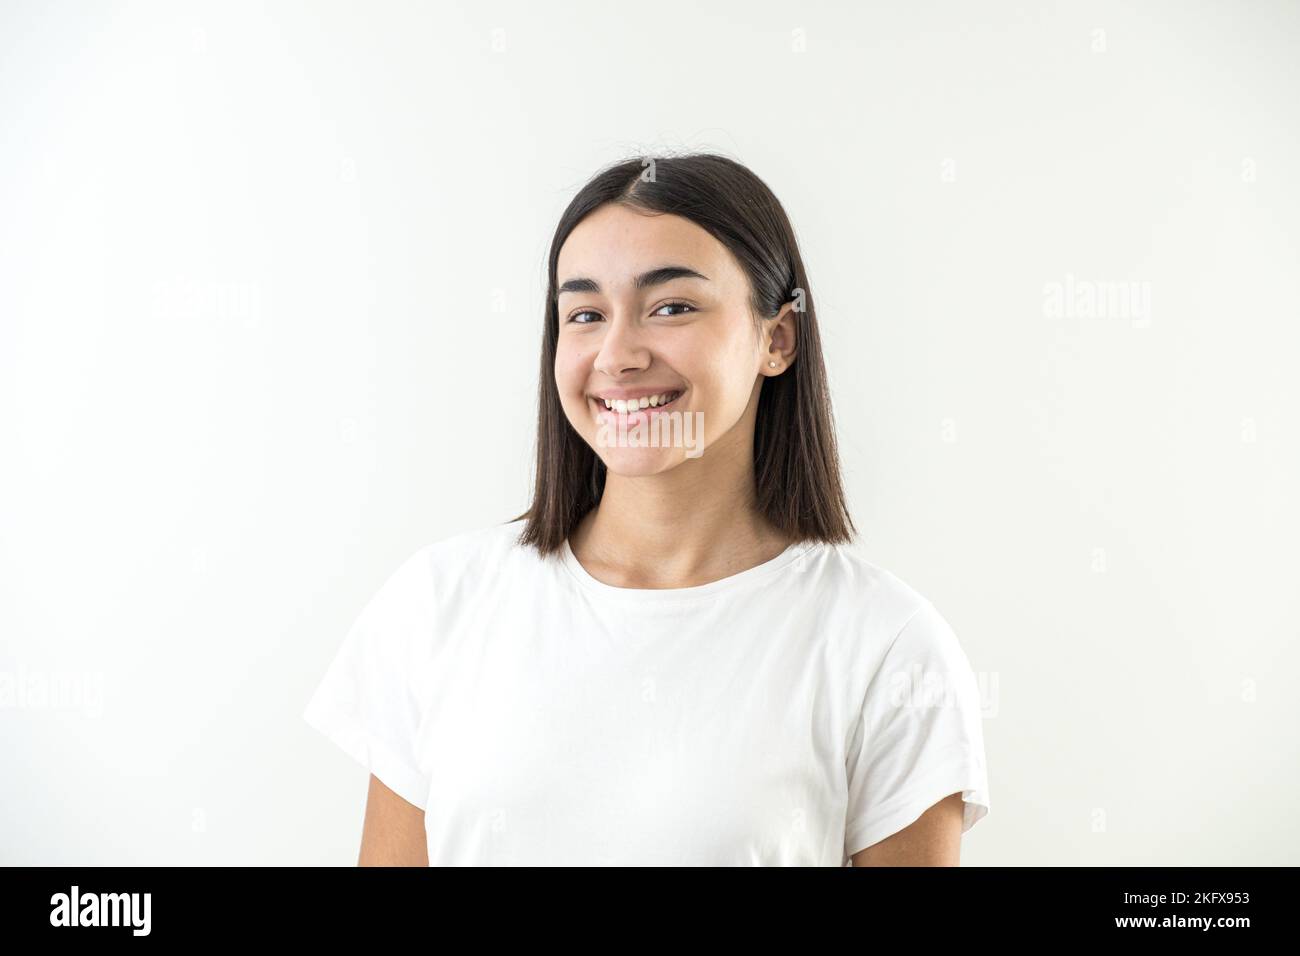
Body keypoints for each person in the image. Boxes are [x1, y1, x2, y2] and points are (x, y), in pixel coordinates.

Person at [302, 152, 990, 866]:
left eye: (672, 307)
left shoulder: (885, 645)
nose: (618, 354)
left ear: (776, 339)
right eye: (586, 314)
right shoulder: (440, 603)